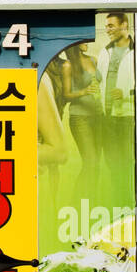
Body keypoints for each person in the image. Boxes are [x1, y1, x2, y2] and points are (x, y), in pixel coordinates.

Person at [96, 12, 136, 191]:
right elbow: (98, 79)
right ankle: (117, 196)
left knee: (128, 160)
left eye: (111, 26)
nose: (108, 30)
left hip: (127, 116)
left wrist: (126, 93)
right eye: (106, 26)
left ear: (124, 25)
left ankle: (130, 198)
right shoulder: (104, 52)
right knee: (111, 162)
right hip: (107, 116)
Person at [61, 42, 103, 193]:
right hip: (80, 118)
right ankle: (77, 203)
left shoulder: (93, 60)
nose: (87, 43)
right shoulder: (68, 65)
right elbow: (66, 95)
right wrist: (84, 91)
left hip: (98, 115)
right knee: (90, 162)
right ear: (75, 44)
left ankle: (90, 203)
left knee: (96, 164)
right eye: (83, 41)